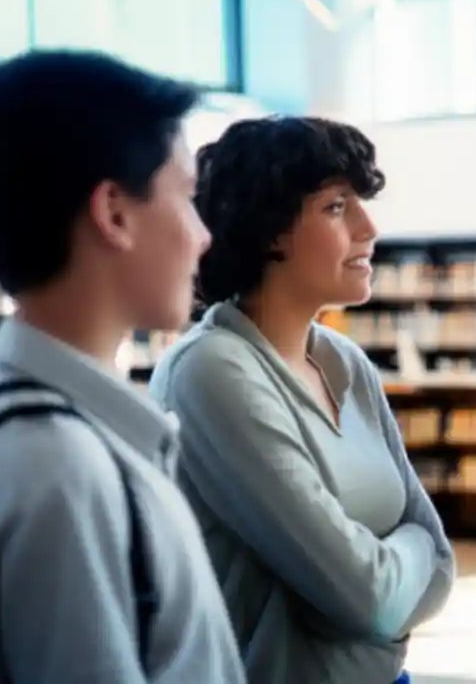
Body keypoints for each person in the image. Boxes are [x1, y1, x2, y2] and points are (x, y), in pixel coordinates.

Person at [0, 51, 244, 682]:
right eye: (186, 197)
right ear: (114, 213)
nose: (202, 234)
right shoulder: (57, 469)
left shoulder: (42, 435)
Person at [148, 116, 455, 684]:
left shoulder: (346, 362)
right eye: (337, 207)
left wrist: (392, 567)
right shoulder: (212, 372)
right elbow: (366, 598)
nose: (369, 228)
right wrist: (398, 560)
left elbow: (440, 558)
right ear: (270, 231)